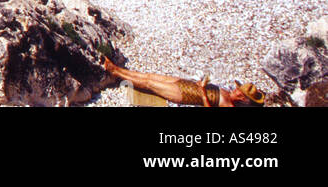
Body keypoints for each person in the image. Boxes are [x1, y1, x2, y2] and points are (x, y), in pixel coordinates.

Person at [101, 57, 265, 106]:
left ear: (243, 98)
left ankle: (115, 71)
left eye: (239, 91)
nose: (235, 90)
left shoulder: (229, 106)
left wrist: (202, 94)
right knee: (150, 76)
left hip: (186, 95)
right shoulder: (228, 92)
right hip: (189, 85)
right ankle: (119, 70)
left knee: (150, 85)